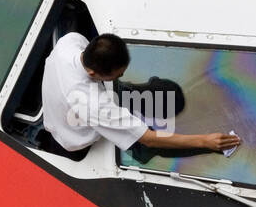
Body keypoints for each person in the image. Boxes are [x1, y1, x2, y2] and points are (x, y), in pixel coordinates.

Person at [39, 32, 240, 158]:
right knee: (148, 147)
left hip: (66, 110)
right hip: (75, 136)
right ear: (94, 73)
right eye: (117, 75)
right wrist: (205, 142)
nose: (123, 76)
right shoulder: (92, 104)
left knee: (163, 94)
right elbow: (148, 138)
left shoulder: (70, 41)